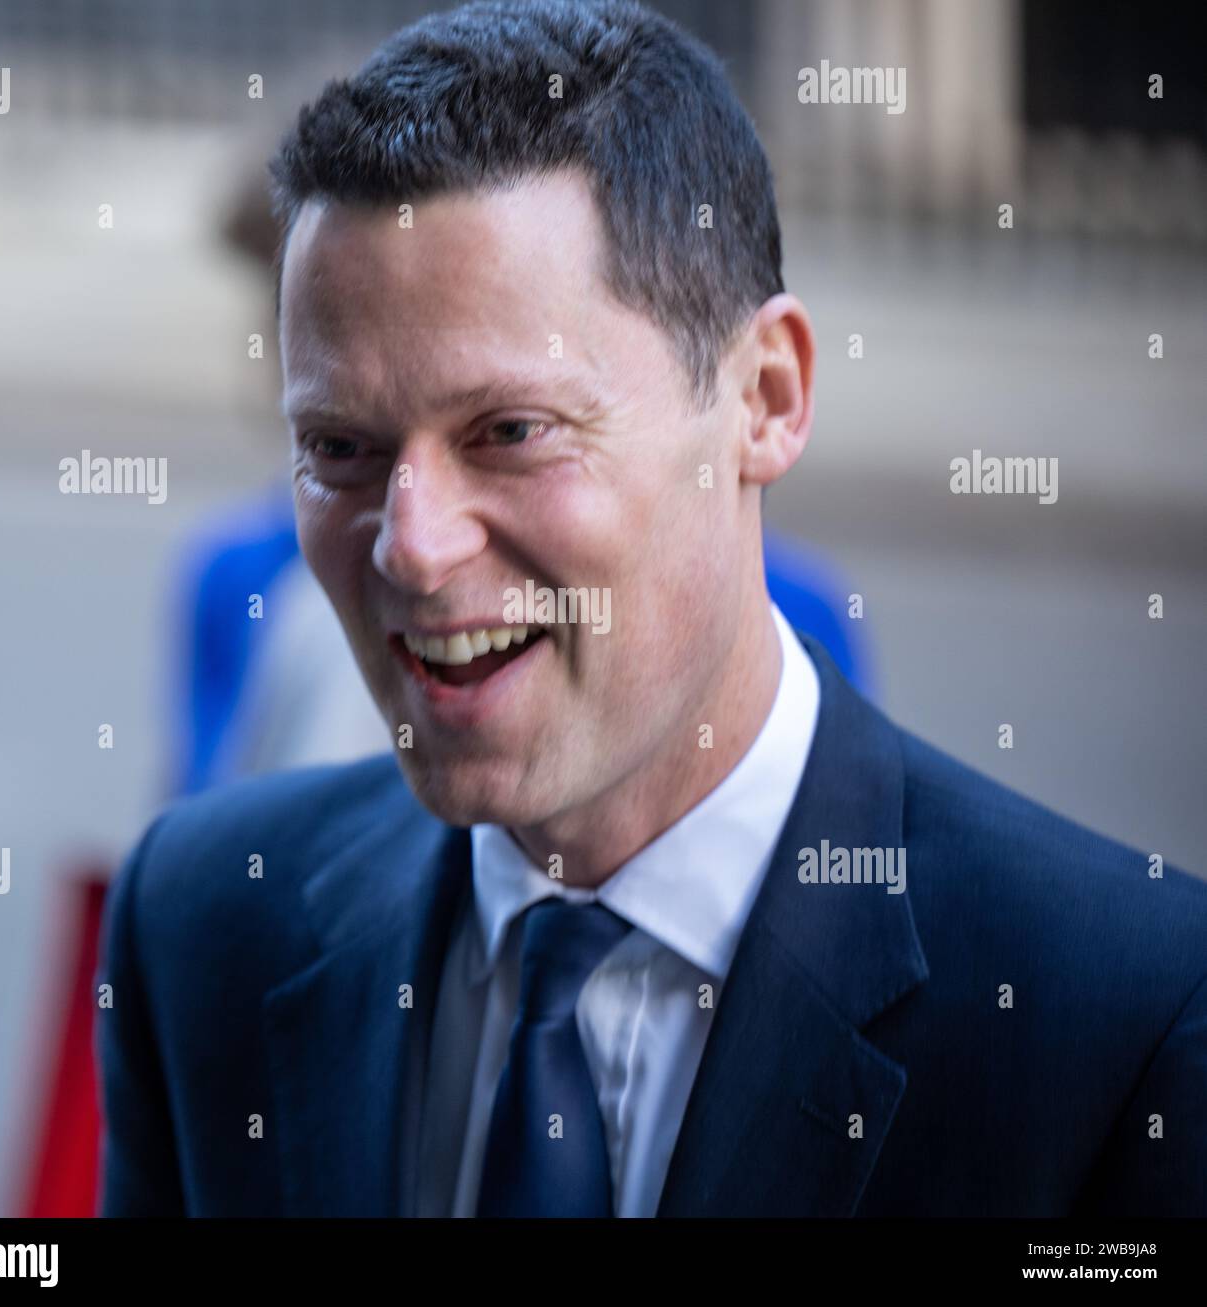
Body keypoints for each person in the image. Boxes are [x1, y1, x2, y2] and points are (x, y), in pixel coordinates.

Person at [95, 0, 1207, 1217]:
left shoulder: (1124, 1020)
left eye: (510, 431)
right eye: (341, 446)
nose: (411, 546)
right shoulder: (201, 929)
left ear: (764, 398)